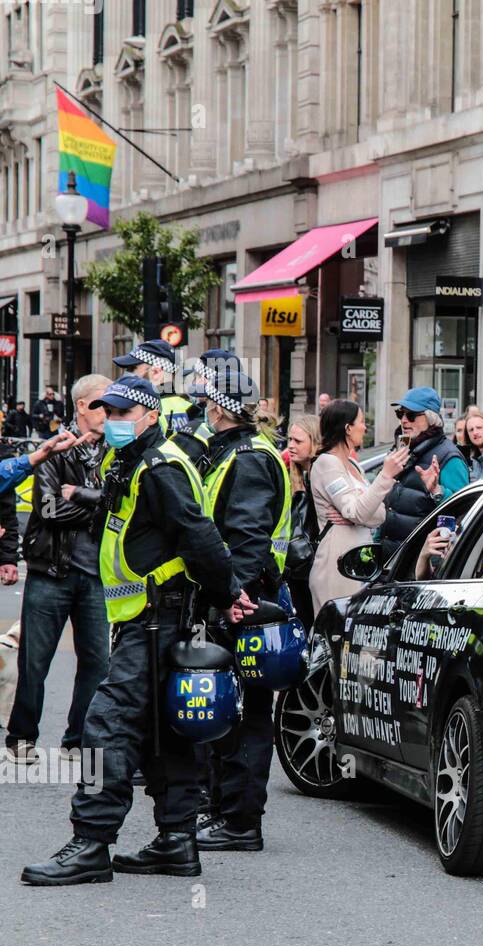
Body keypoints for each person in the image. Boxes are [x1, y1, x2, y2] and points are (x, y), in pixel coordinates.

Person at [20, 375, 253, 886]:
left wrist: (228, 594)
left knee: (105, 727)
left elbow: (200, 536)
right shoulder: (126, 460)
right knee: (163, 733)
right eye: (109, 412)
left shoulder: (162, 466)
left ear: (150, 417)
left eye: (125, 413)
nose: (114, 420)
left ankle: (92, 843)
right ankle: (176, 841)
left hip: (159, 618)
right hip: (143, 619)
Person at [193, 358, 293, 853]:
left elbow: (249, 539)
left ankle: (240, 822)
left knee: (246, 712)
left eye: (210, 401)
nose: (205, 409)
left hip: (249, 601)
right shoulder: (234, 451)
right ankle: (222, 810)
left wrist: (235, 596)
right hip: (239, 596)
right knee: (229, 707)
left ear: (223, 408)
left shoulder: (249, 457)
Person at [4, 374, 111, 766]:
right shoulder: (58, 449)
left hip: (99, 574)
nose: (108, 412)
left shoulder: (116, 451)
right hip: (52, 569)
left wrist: (84, 498)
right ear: (81, 405)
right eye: (101, 403)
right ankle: (21, 737)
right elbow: (47, 509)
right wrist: (98, 506)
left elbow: (118, 505)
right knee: (35, 659)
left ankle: (78, 739)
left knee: (98, 662)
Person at [309, 400, 403, 611]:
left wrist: (356, 514)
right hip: (336, 565)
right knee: (335, 633)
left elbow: (378, 515)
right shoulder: (327, 463)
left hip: (359, 563)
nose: (365, 427)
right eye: (361, 421)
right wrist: (385, 475)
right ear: (348, 428)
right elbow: (358, 511)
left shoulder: (352, 464)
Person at [375, 387, 467, 563]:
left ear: (431, 419)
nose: (403, 420)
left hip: (421, 567)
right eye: (400, 414)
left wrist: (436, 490)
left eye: (411, 415)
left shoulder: (448, 457)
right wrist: (377, 543)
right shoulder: (401, 450)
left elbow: (464, 512)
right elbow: (390, 507)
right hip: (389, 562)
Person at [284, 414, 321, 632]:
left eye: (298, 441)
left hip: (316, 565)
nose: (291, 446)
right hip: (301, 566)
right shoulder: (300, 474)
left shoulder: (321, 472)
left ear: (315, 442)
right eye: (289, 440)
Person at [113, 340, 190, 435]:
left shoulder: (142, 414)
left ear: (156, 372)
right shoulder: (192, 409)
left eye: (132, 368)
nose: (126, 374)